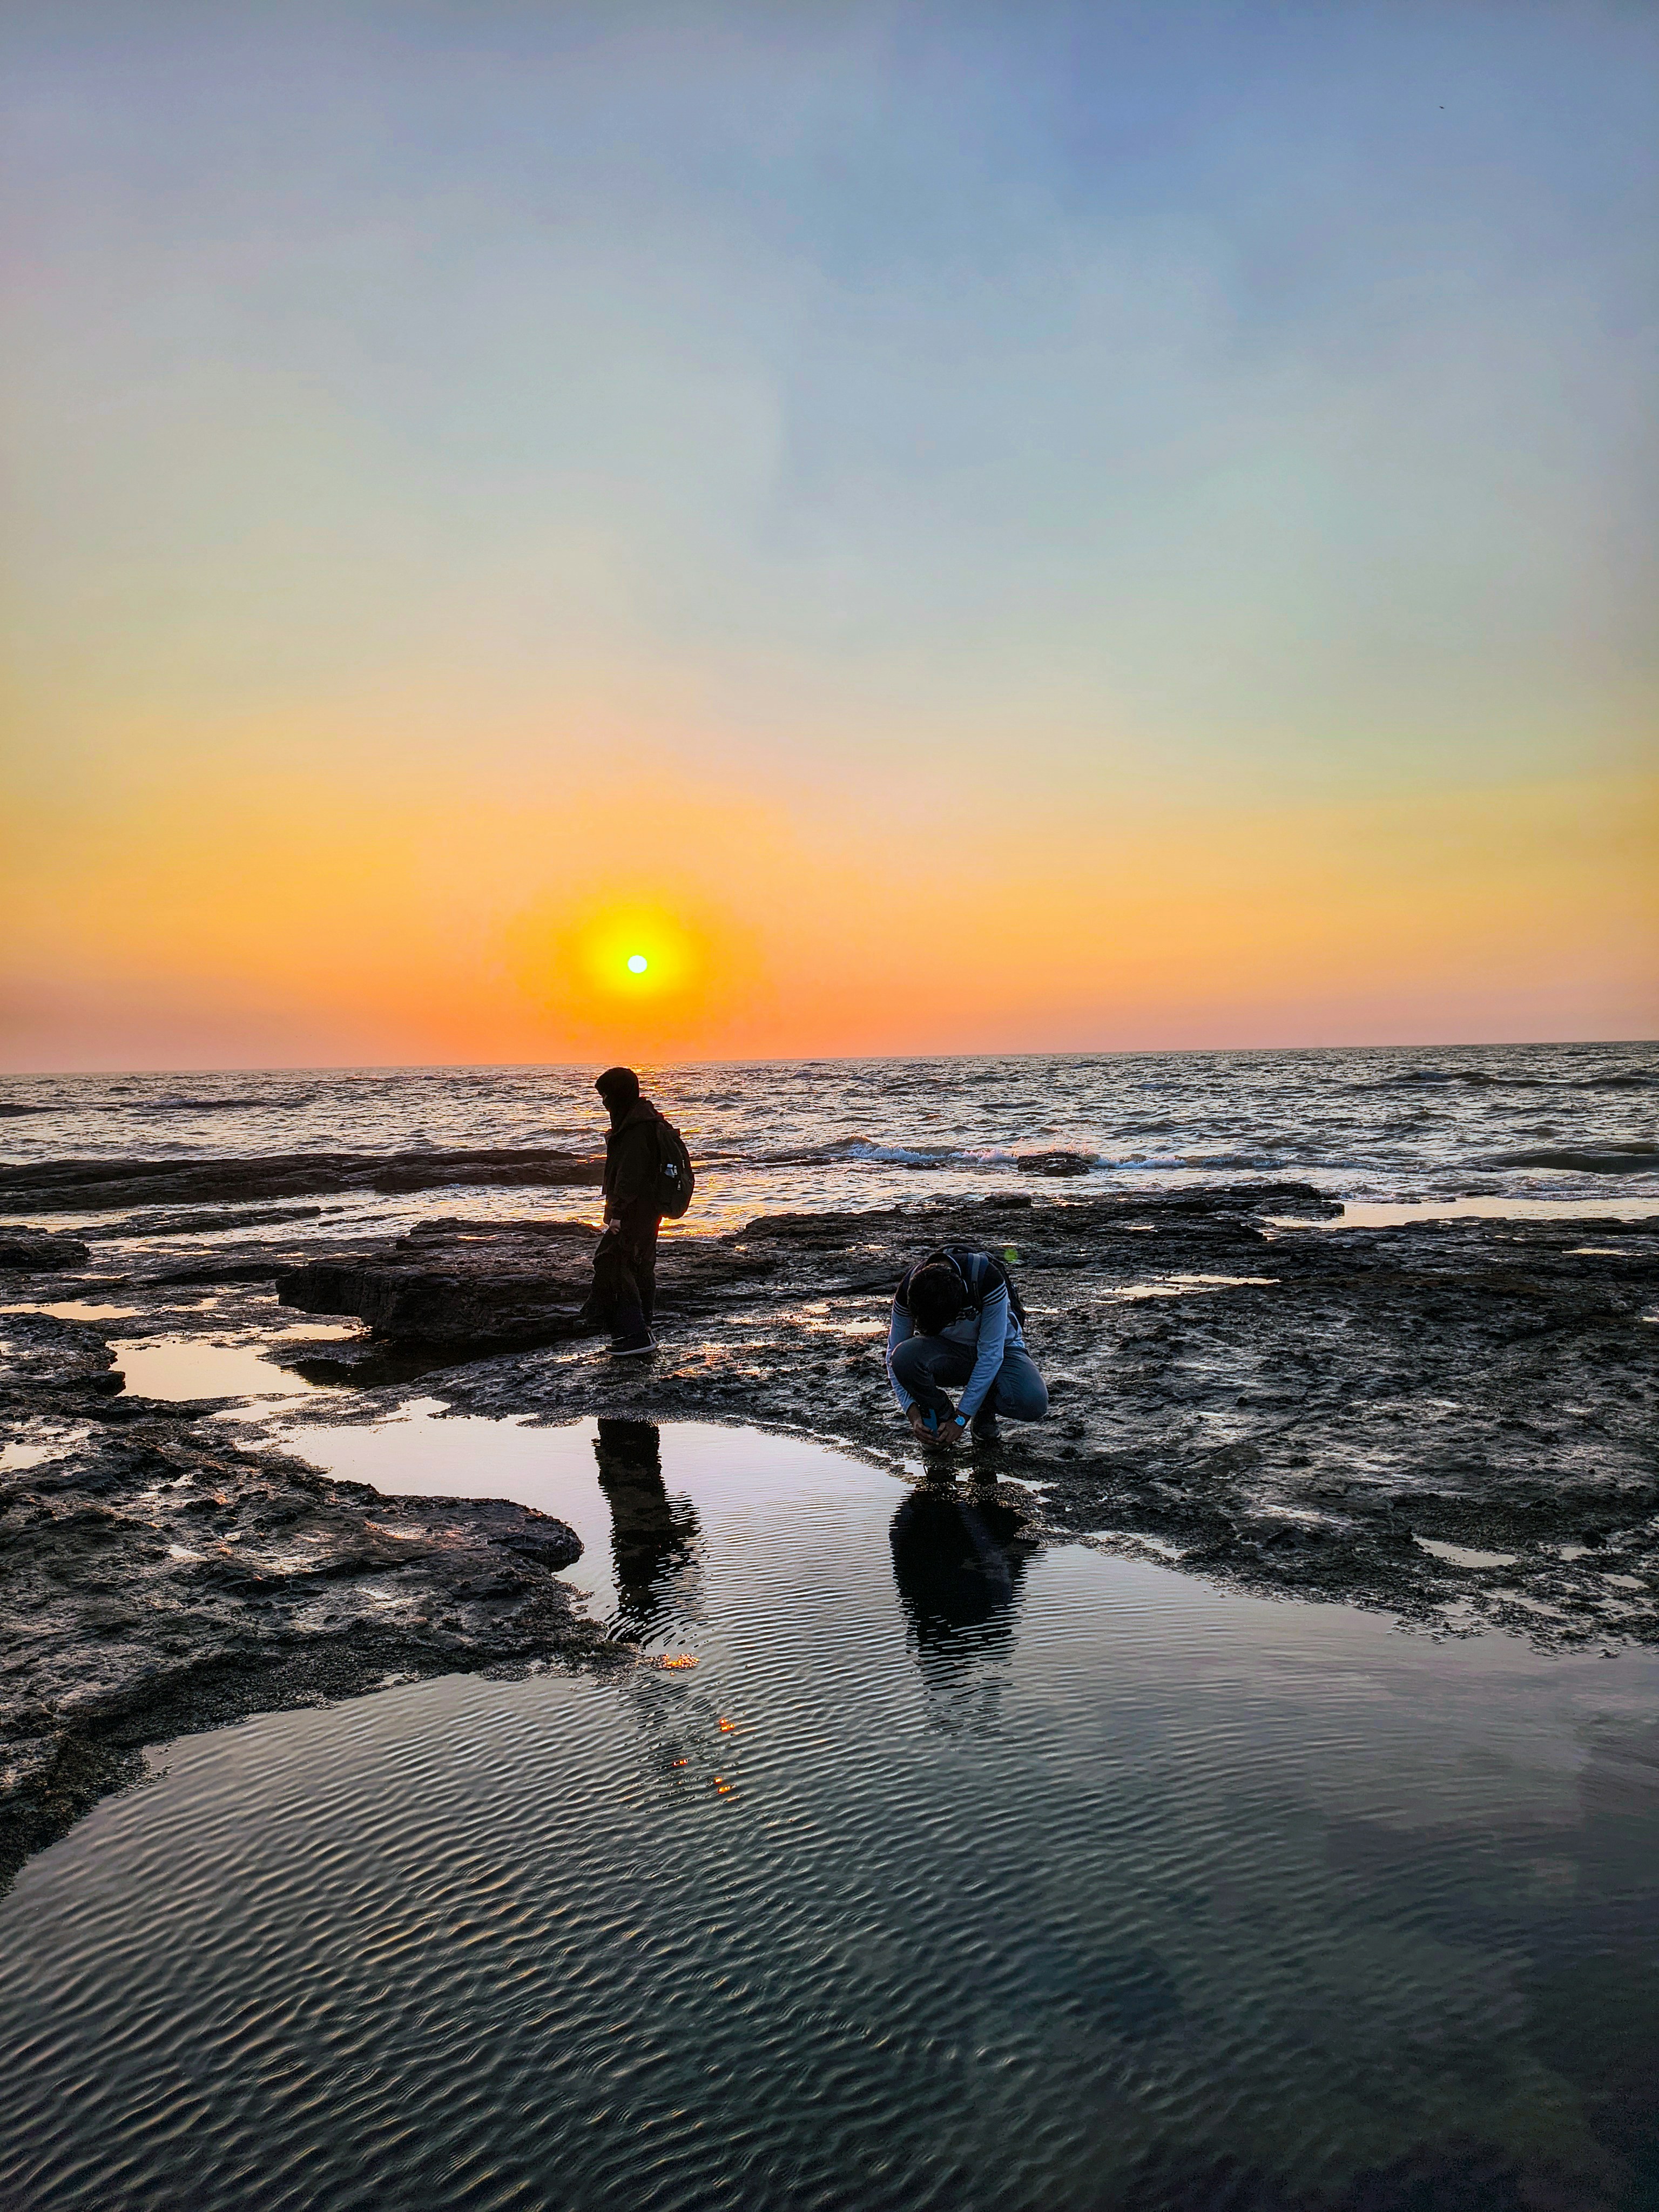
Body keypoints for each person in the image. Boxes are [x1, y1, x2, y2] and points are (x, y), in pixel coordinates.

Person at [886, 1244, 1048, 1446]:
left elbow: (991, 1354)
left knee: (1033, 1402)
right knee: (903, 1358)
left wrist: (962, 1418)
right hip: (949, 1353)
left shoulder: (987, 1279)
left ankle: (983, 1409)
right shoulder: (910, 1288)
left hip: (1001, 1350)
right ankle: (939, 1415)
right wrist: (913, 1413)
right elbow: (892, 1356)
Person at [586, 1065, 669, 1357]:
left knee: (613, 1263)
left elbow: (630, 1177)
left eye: (606, 1096)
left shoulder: (634, 1128)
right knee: (640, 1266)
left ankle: (635, 1334)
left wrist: (617, 1216)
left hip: (634, 1211)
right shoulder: (644, 1119)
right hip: (649, 1209)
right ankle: (642, 1330)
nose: (604, 1102)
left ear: (618, 1095)